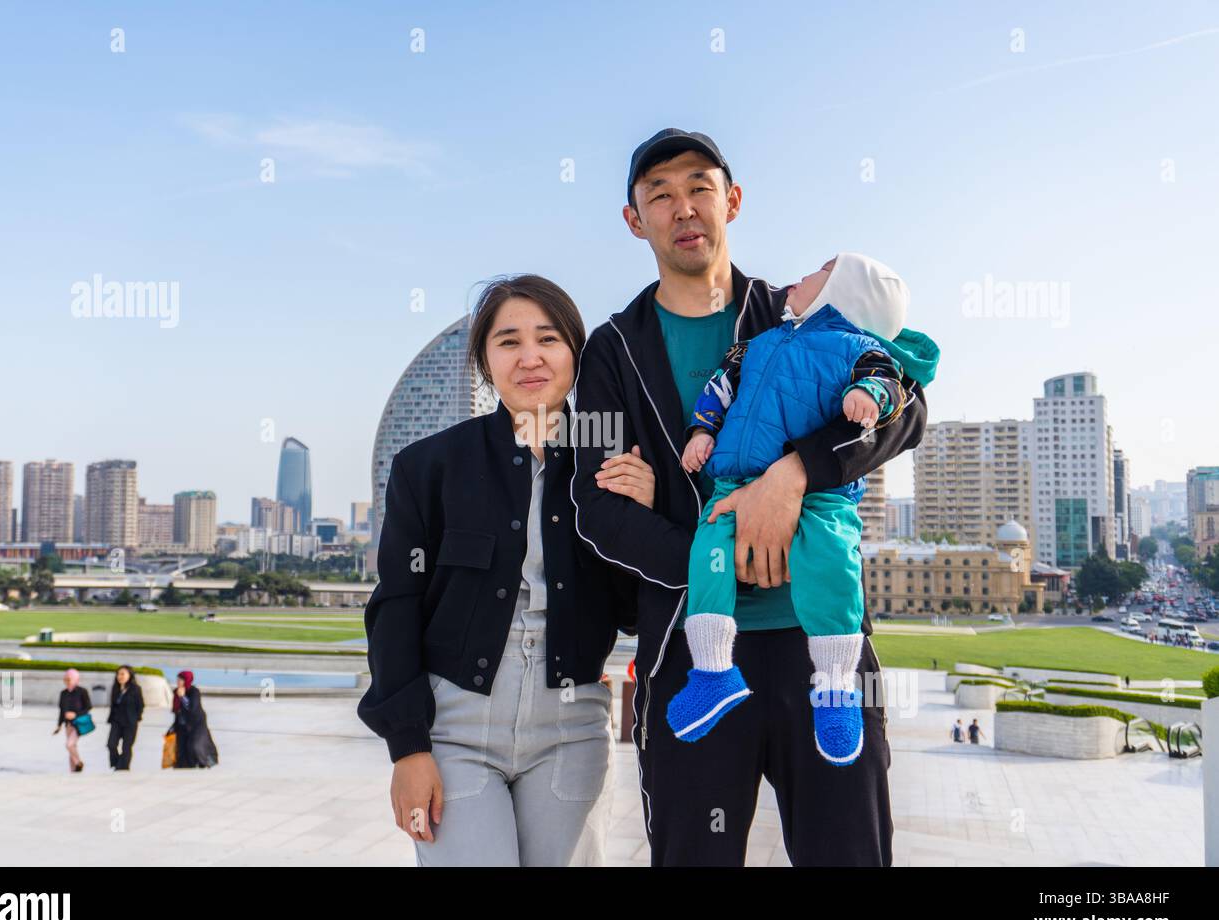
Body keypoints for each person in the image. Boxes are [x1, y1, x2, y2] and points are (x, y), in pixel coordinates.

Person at [571, 128, 927, 866]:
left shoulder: (797, 315)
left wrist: (793, 476)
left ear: (732, 200)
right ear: (635, 220)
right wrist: (719, 559)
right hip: (691, 651)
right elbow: (597, 505)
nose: (684, 207)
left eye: (700, 187)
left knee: (850, 852)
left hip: (819, 643)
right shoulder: (611, 348)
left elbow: (907, 408)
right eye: (659, 196)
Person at [358, 274, 638, 866]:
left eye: (548, 339)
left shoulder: (615, 462)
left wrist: (640, 512)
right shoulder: (427, 467)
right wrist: (407, 749)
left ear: (575, 353)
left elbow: (638, 610)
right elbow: (395, 607)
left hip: (572, 727)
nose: (529, 357)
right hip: (455, 728)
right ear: (486, 361)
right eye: (508, 341)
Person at [670, 252, 938, 764]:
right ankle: (712, 672)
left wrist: (869, 394)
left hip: (822, 497)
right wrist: (702, 430)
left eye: (822, 269)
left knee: (832, 562)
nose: (803, 273)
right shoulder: (758, 343)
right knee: (708, 552)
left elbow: (893, 385)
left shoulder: (858, 347)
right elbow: (719, 389)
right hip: (731, 482)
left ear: (844, 294)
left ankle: (836, 688)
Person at [167, 671, 218, 768]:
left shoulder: (194, 691)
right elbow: (177, 710)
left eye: (181, 680)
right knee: (180, 746)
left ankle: (205, 762)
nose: (178, 682)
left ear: (187, 680)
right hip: (182, 724)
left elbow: (193, 708)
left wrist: (182, 697)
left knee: (195, 745)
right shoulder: (176, 691)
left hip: (196, 723)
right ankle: (185, 766)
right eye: (177, 679)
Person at [52, 668, 92, 773]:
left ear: (75, 679)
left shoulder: (82, 691)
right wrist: (59, 725)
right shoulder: (63, 693)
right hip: (68, 725)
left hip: (79, 723)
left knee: (69, 744)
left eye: (69, 679)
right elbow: (62, 711)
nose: (67, 681)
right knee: (72, 746)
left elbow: (88, 707)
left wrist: (75, 715)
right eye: (65, 679)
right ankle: (73, 769)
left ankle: (78, 763)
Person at [106, 665, 145, 770]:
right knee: (111, 744)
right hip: (117, 722)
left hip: (130, 722)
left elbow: (140, 705)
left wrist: (136, 717)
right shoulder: (116, 688)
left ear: (129, 675)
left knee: (126, 747)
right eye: (118, 674)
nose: (120, 676)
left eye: (122, 674)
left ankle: (123, 768)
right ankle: (118, 763)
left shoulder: (136, 689)